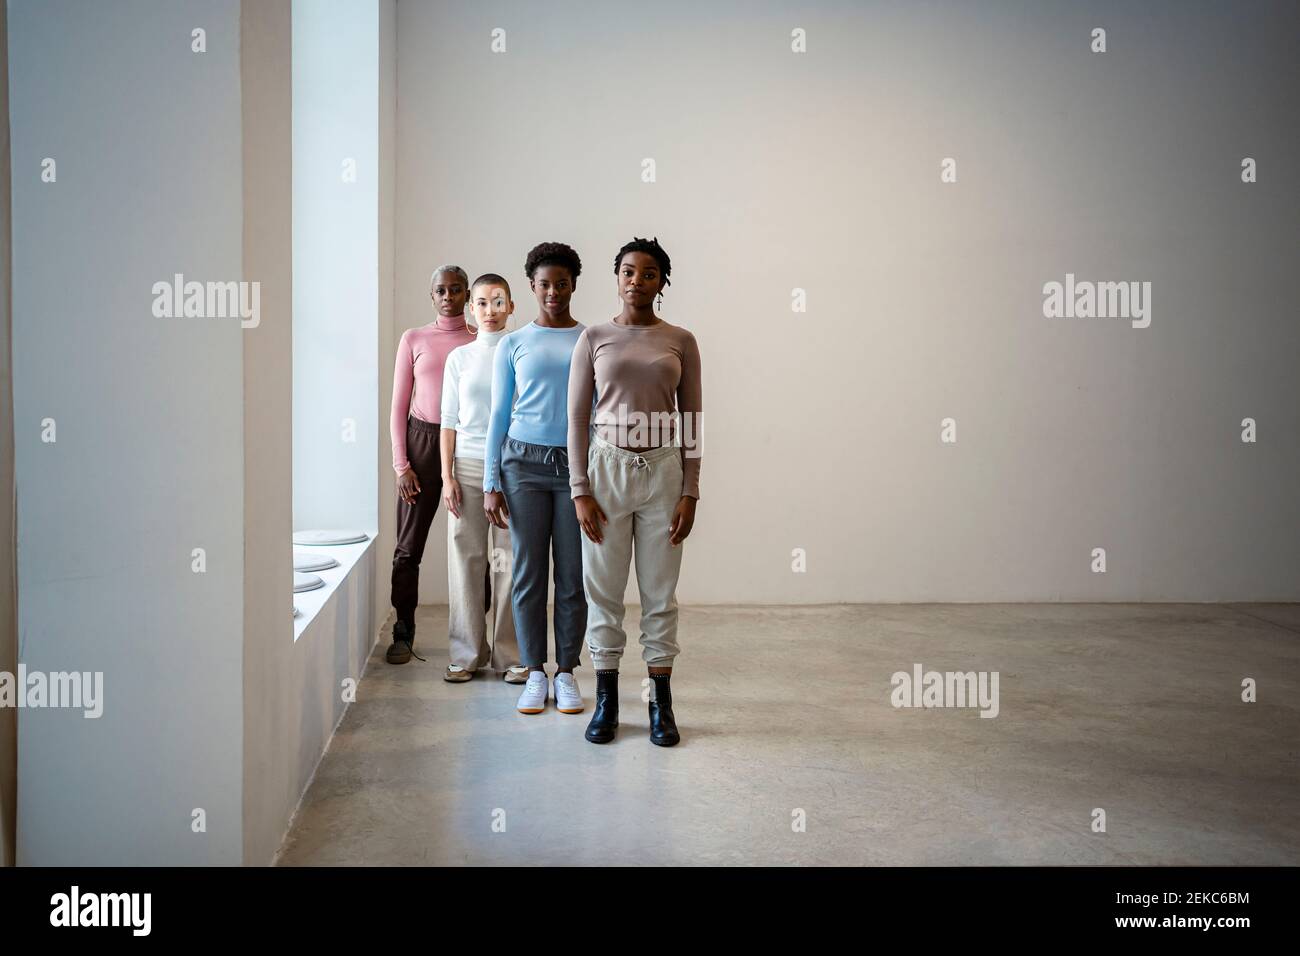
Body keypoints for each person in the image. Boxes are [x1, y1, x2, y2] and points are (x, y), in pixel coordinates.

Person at [567, 237, 701, 746]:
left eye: (649, 273)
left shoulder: (681, 340)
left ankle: (660, 705)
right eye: (627, 271)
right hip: (605, 471)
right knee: (603, 591)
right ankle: (605, 701)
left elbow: (692, 419)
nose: (636, 280)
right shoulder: (594, 337)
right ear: (616, 276)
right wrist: (580, 489)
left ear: (662, 282)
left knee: (659, 593)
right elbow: (577, 416)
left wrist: (690, 489)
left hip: (663, 472)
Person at [483, 242, 588, 715]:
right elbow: (499, 415)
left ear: (573, 286)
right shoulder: (513, 343)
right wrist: (490, 482)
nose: (553, 291)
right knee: (527, 571)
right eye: (544, 284)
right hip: (521, 465)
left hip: (574, 467)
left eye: (561, 284)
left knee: (572, 573)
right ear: (531, 286)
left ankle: (565, 671)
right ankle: (534, 671)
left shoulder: (590, 339)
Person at [439, 274, 528, 684]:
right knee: (466, 560)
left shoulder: (520, 351)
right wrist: (447, 476)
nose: (490, 310)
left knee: (508, 563)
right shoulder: (459, 358)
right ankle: (466, 653)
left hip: (513, 469)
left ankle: (510, 656)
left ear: (511, 307)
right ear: (470, 310)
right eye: (481, 303)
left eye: (498, 302)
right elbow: (448, 422)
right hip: (468, 468)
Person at [387, 265, 476, 664]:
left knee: (476, 547)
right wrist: (401, 464)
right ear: (432, 294)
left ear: (467, 293)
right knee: (408, 549)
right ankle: (403, 631)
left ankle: (478, 635)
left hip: (467, 440)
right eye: (441, 289)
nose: (448, 296)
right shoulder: (414, 338)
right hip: (422, 441)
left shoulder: (480, 337)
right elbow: (398, 405)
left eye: (456, 289)